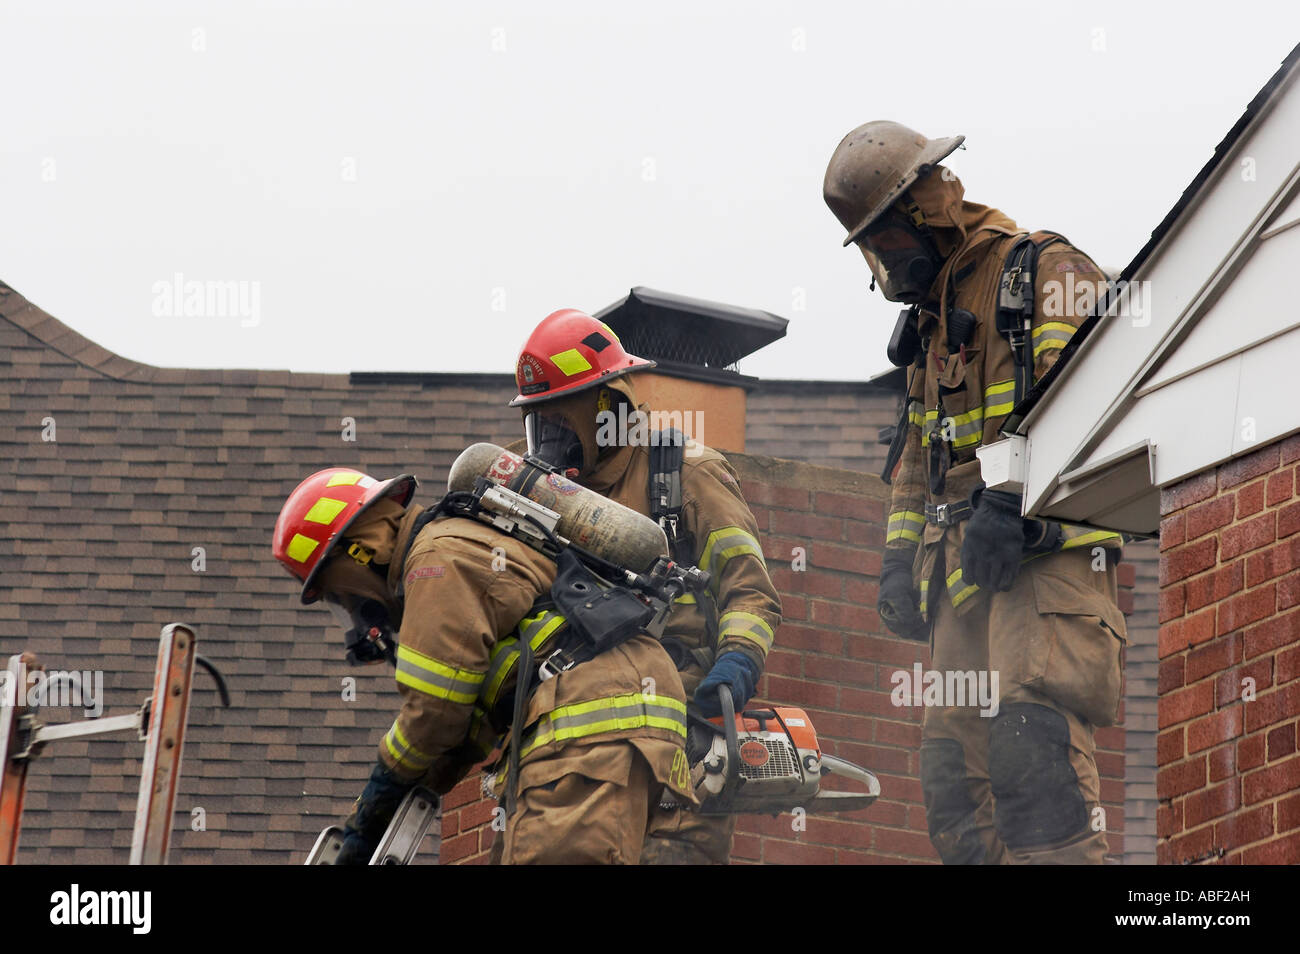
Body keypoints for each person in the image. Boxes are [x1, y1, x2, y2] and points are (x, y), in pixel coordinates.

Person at [824, 120, 1128, 864]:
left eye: (887, 243)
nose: (884, 265)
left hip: (1044, 566)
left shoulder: (1046, 273)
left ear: (928, 211)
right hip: (960, 580)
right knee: (951, 784)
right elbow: (920, 461)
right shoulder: (932, 326)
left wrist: (1006, 497)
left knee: (1032, 756)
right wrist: (899, 562)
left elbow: (1094, 401)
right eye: (871, 250)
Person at [271, 466, 694, 864]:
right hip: (614, 716)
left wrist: (382, 786)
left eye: (339, 593)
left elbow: (436, 713)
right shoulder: (456, 543)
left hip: (589, 726)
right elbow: (464, 730)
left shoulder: (435, 559)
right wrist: (391, 806)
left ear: (365, 549)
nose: (352, 610)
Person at [506, 308, 783, 864]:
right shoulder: (541, 500)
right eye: (540, 425)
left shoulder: (686, 474)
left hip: (680, 746)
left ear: (609, 407)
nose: (549, 444)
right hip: (576, 760)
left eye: (561, 425)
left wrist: (737, 665)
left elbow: (749, 590)